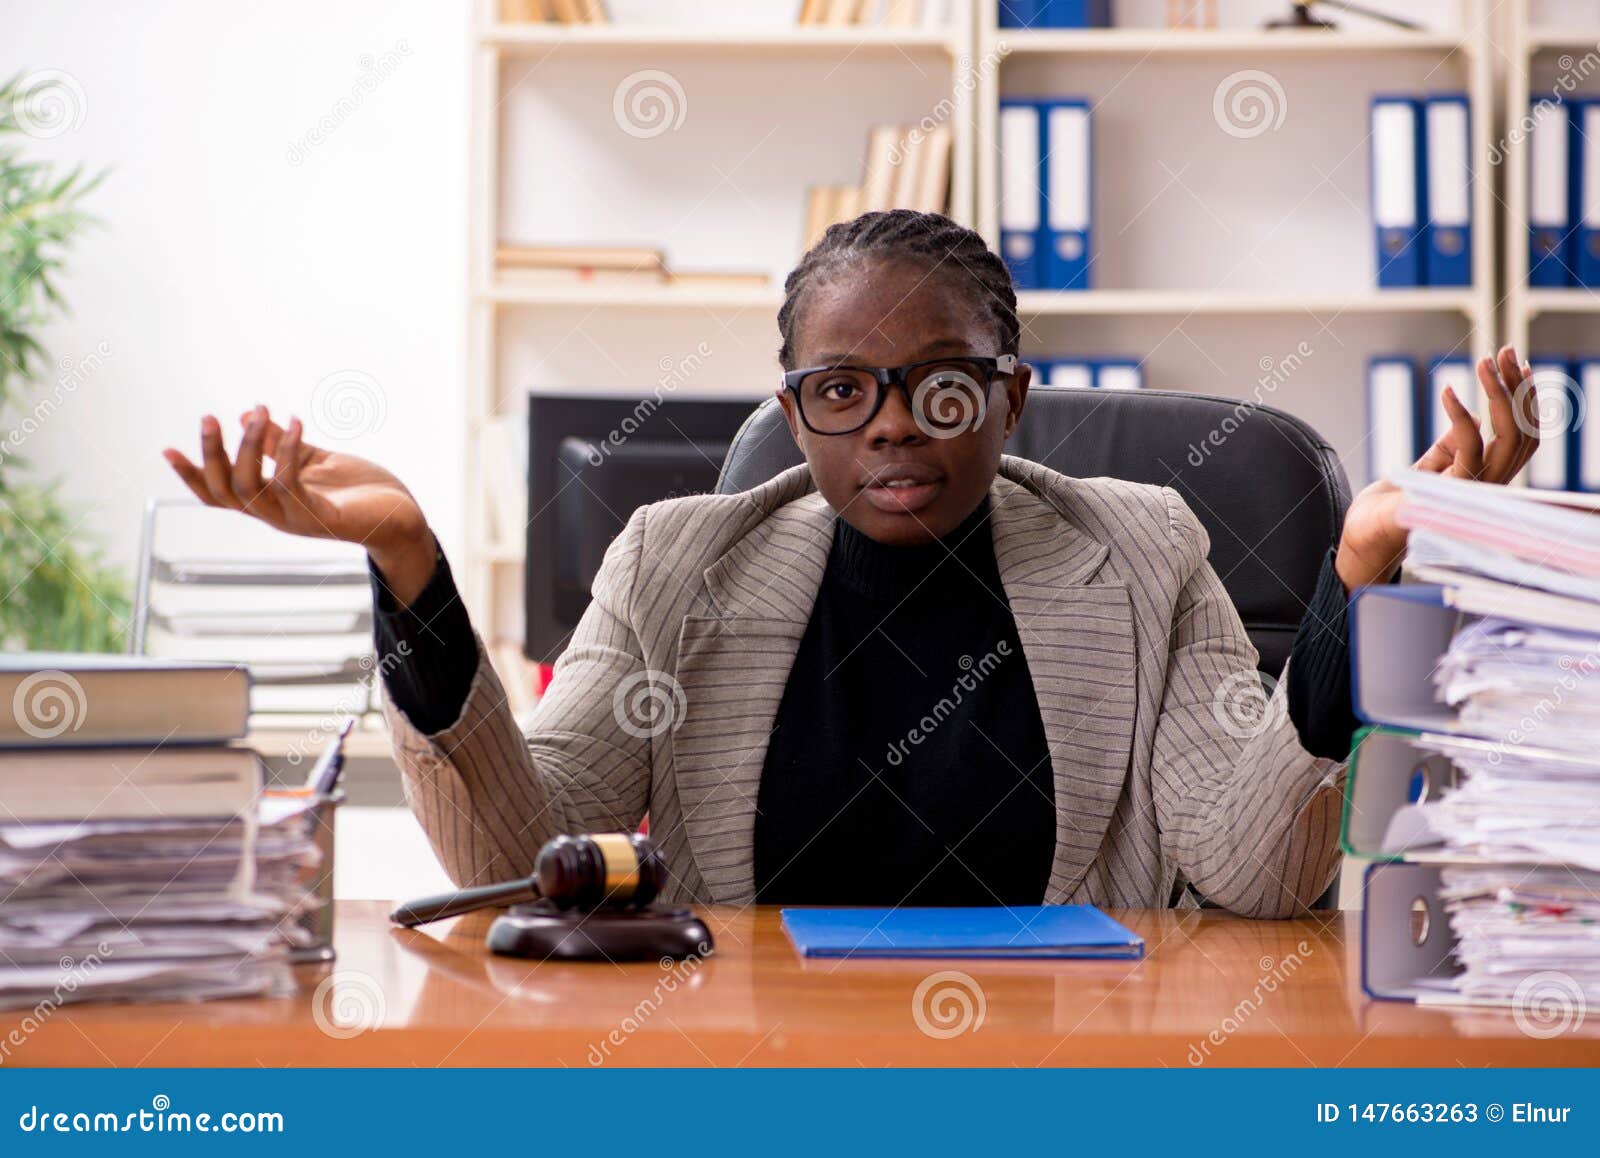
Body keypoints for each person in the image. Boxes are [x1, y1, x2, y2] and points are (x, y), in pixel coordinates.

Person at [163, 210, 1539, 917]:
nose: (893, 420)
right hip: (757, 1068)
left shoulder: (1144, 546)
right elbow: (525, 852)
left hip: (1085, 1069)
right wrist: (411, 564)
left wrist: (1364, 574)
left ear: (1010, 398)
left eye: (942, 385)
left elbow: (1253, 867)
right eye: (843, 387)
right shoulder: (677, 559)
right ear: (793, 401)